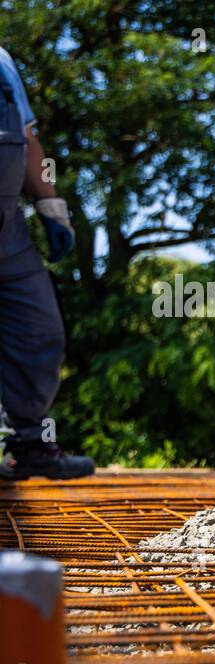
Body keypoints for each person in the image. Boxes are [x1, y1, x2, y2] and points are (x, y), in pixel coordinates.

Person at [0, 46, 93, 480]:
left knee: (39, 330)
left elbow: (28, 138)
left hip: (7, 226)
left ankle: (29, 444)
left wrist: (51, 203)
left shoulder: (3, 60)